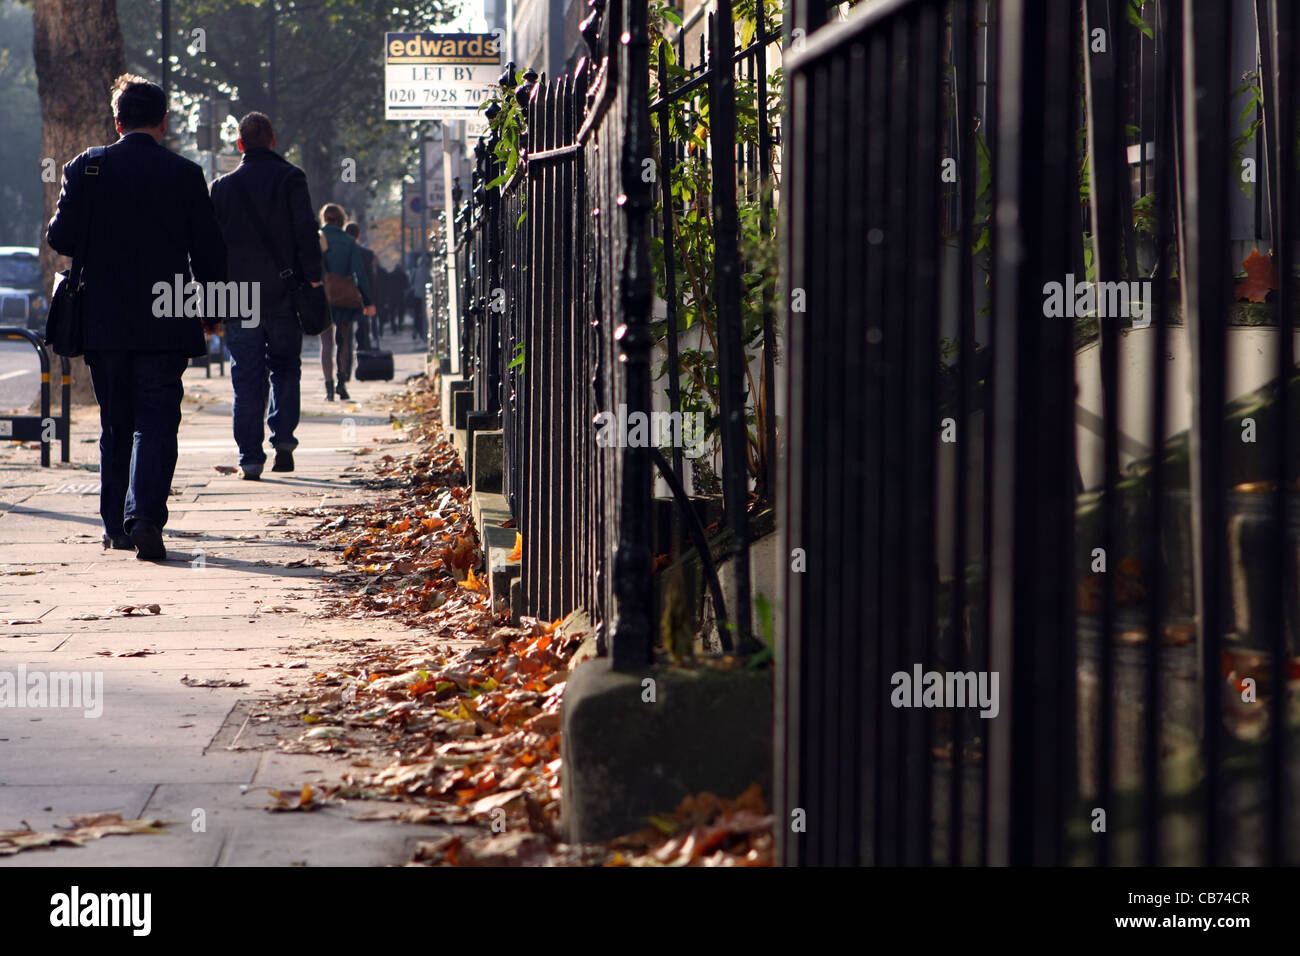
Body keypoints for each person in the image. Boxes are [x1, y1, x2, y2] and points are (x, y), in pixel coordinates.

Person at [46, 74, 225, 561]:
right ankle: (145, 515)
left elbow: (60, 239)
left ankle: (114, 527)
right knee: (157, 418)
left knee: (115, 422)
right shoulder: (185, 174)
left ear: (117, 120)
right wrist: (212, 312)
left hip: (103, 315)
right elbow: (209, 253)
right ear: (164, 122)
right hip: (167, 314)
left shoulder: (87, 167)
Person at [209, 111, 322, 479]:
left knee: (246, 376)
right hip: (283, 292)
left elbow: (210, 248)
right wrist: (313, 279)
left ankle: (250, 458)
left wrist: (209, 299)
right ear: (273, 140)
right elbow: (305, 230)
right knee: (286, 367)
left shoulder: (222, 187)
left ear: (239, 144)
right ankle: (284, 441)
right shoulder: (291, 178)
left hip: (237, 295)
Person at [318, 203, 374, 401]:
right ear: (342, 219)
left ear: (324, 218)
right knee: (343, 341)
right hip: (345, 297)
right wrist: (368, 300)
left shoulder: (317, 237)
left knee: (326, 344)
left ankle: (328, 388)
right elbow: (359, 272)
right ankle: (342, 382)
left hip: (323, 297)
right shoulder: (349, 242)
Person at [344, 221, 378, 349]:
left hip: (343, 294)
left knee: (345, 332)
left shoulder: (338, 251)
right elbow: (370, 278)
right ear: (358, 235)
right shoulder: (367, 254)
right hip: (361, 295)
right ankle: (363, 352)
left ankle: (345, 365)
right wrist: (371, 300)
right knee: (363, 327)